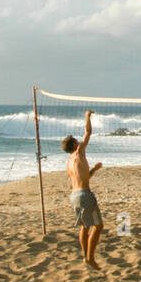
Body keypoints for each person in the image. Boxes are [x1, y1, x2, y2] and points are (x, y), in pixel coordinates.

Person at [62, 110, 105, 268]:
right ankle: (89, 257)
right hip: (85, 195)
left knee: (84, 226)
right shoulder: (79, 152)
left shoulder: (68, 162)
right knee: (98, 226)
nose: (79, 141)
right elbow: (88, 131)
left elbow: (82, 179)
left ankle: (85, 256)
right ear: (74, 144)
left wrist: (94, 169)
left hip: (74, 195)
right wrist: (87, 115)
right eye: (76, 141)